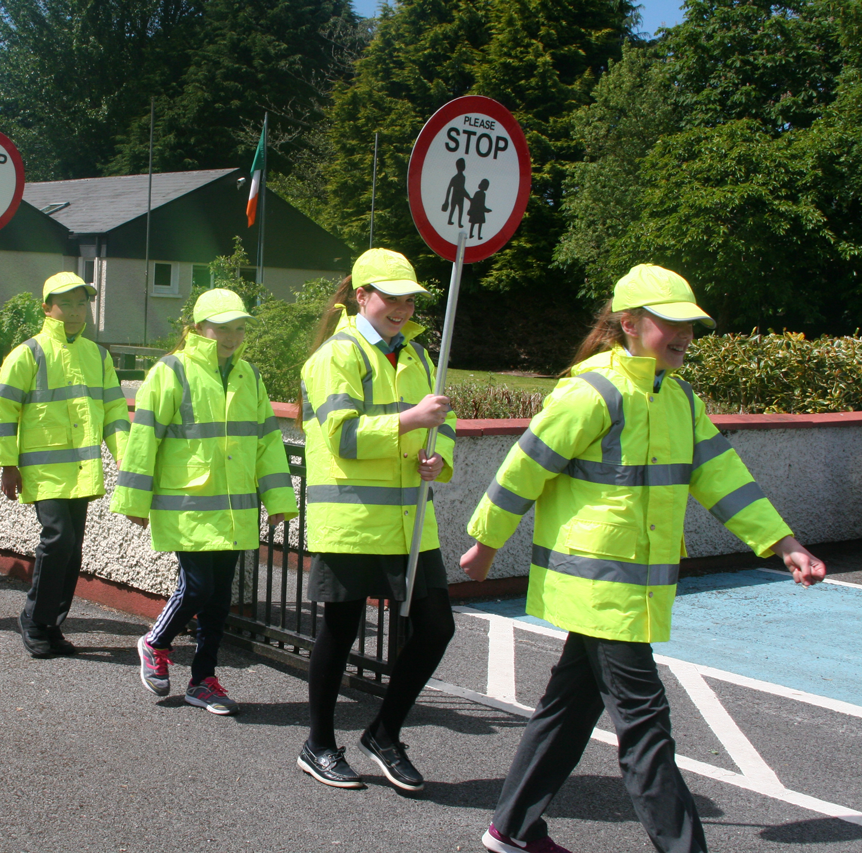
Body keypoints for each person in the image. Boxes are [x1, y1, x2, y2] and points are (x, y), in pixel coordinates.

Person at [460, 264, 827, 853]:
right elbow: (523, 468)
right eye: (670, 322)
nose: (684, 334)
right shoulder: (591, 391)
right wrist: (486, 543)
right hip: (599, 584)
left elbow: (723, 478)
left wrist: (782, 542)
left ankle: (511, 830)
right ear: (628, 324)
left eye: (691, 324)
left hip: (629, 589)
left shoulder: (678, 398)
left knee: (570, 707)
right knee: (645, 726)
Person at [296, 247, 457, 791]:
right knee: (339, 632)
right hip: (352, 520)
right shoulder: (333, 356)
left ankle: (384, 733)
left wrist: (442, 457)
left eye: (410, 298)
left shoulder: (417, 355)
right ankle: (318, 744)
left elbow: (444, 423)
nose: (403, 307)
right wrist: (412, 421)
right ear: (361, 295)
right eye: (391, 296)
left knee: (437, 627)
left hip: (411, 522)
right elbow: (342, 436)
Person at [112, 288, 296, 715]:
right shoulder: (171, 371)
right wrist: (134, 500)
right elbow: (145, 439)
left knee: (217, 601)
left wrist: (278, 498)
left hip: (234, 509)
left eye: (238, 328)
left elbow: (267, 440)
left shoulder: (248, 375)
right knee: (198, 586)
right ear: (197, 329)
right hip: (188, 505)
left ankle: (203, 680)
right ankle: (155, 642)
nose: (231, 336)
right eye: (221, 328)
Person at [0, 272, 129, 657]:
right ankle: (34, 620)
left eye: (81, 302)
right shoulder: (28, 353)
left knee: (72, 550)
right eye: (65, 302)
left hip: (82, 472)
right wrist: (7, 464)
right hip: (43, 470)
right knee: (59, 540)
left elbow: (115, 408)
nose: (74, 310)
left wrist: (124, 452)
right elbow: (3, 411)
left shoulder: (97, 355)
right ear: (46, 307)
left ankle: (52, 625)